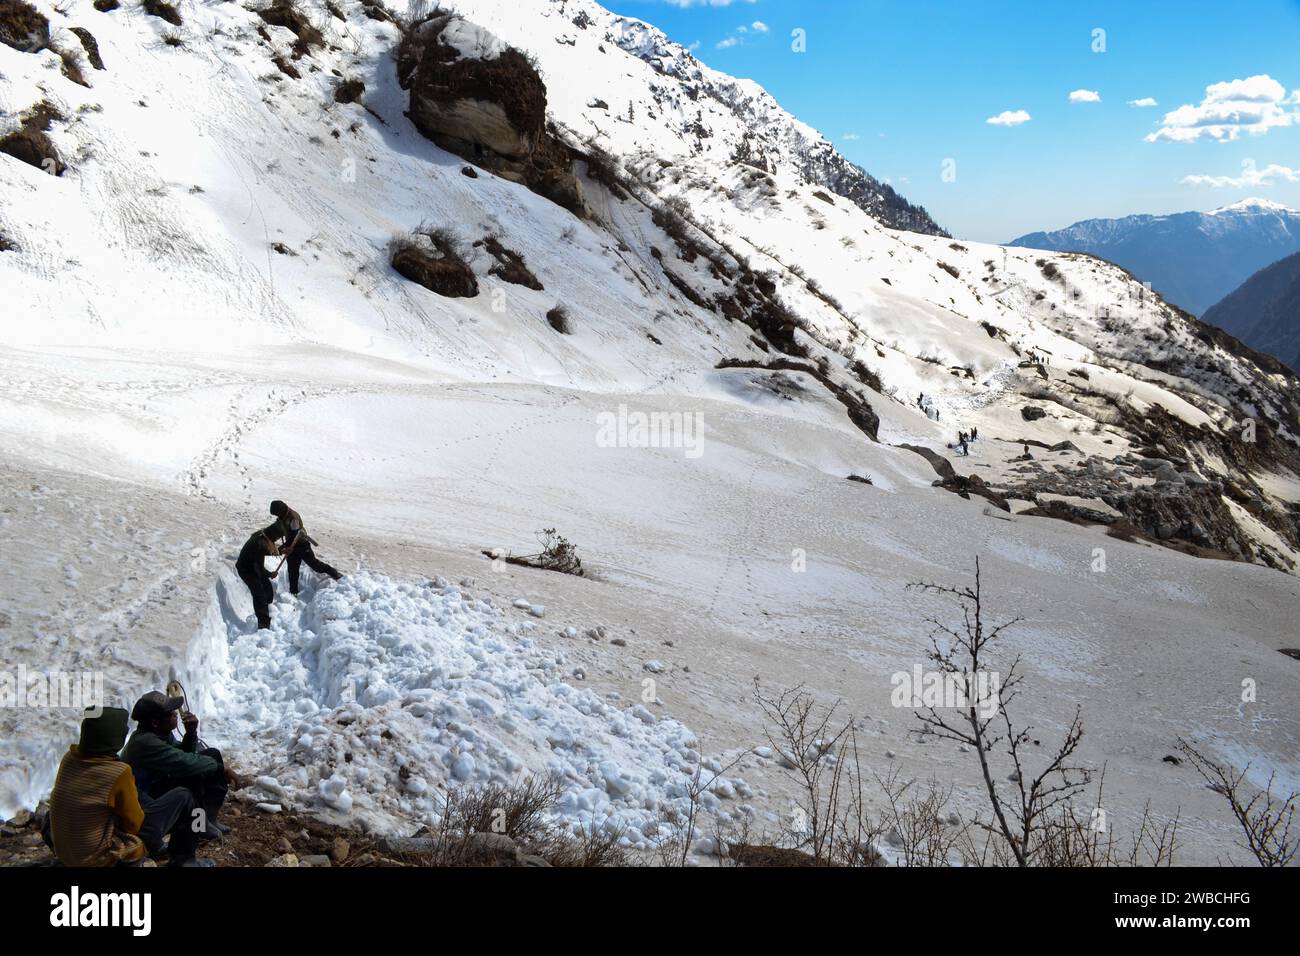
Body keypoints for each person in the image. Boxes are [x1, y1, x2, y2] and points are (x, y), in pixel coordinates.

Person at [123, 691, 236, 859]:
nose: (176, 714)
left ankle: (207, 820)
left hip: (157, 786)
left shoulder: (160, 734)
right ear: (155, 722)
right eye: (170, 713)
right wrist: (221, 769)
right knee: (193, 778)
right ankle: (197, 828)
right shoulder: (145, 743)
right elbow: (185, 763)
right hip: (146, 802)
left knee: (210, 755)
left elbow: (183, 754)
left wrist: (190, 734)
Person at [45, 706, 147, 867]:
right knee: (136, 844)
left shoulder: (69, 758)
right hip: (92, 860)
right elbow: (134, 824)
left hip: (64, 852)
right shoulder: (118, 772)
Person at [267, 499, 342, 595]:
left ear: (280, 511)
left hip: (301, 545)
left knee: (315, 565)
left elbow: (294, 536)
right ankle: (293, 592)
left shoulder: (293, 518)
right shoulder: (282, 516)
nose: (277, 516)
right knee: (292, 570)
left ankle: (335, 574)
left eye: (276, 514)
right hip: (291, 547)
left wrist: (282, 547)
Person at [236, 525, 278, 629]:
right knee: (259, 594)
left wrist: (282, 550)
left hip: (253, 567)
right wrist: (270, 574)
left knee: (267, 588)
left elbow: (267, 552)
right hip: (246, 570)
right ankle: (263, 624)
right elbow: (260, 569)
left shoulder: (261, 538)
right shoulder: (258, 545)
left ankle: (268, 607)